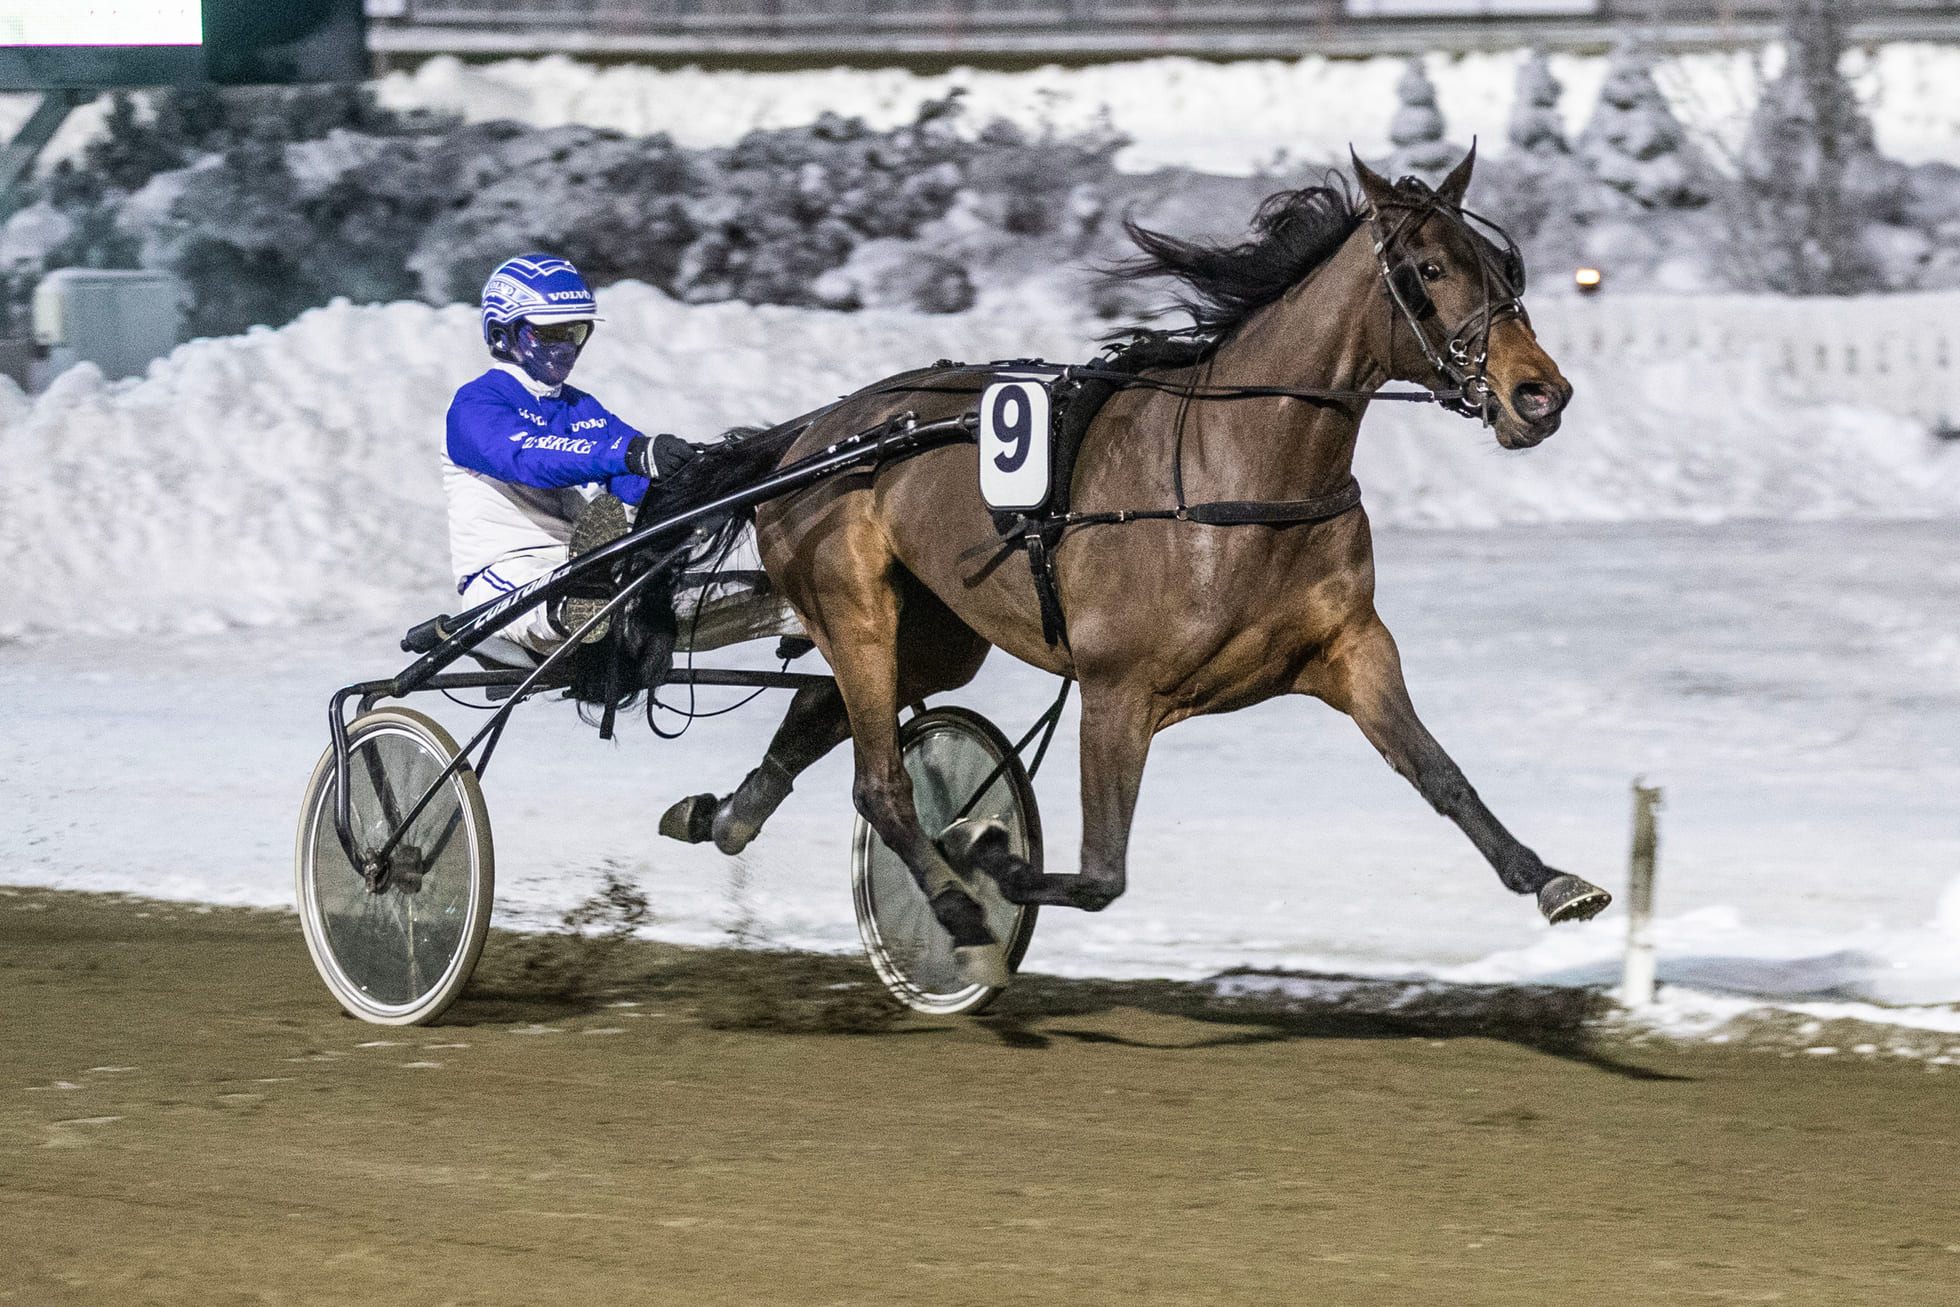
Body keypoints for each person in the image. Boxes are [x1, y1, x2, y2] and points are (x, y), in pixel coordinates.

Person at [443, 253, 697, 655]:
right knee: (581, 597)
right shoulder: (475, 403)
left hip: (591, 566)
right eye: (548, 333)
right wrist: (628, 453)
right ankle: (585, 605)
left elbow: (633, 468)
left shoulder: (582, 406)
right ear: (501, 334)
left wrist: (686, 471)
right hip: (509, 574)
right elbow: (529, 457)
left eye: (574, 332)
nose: (564, 347)